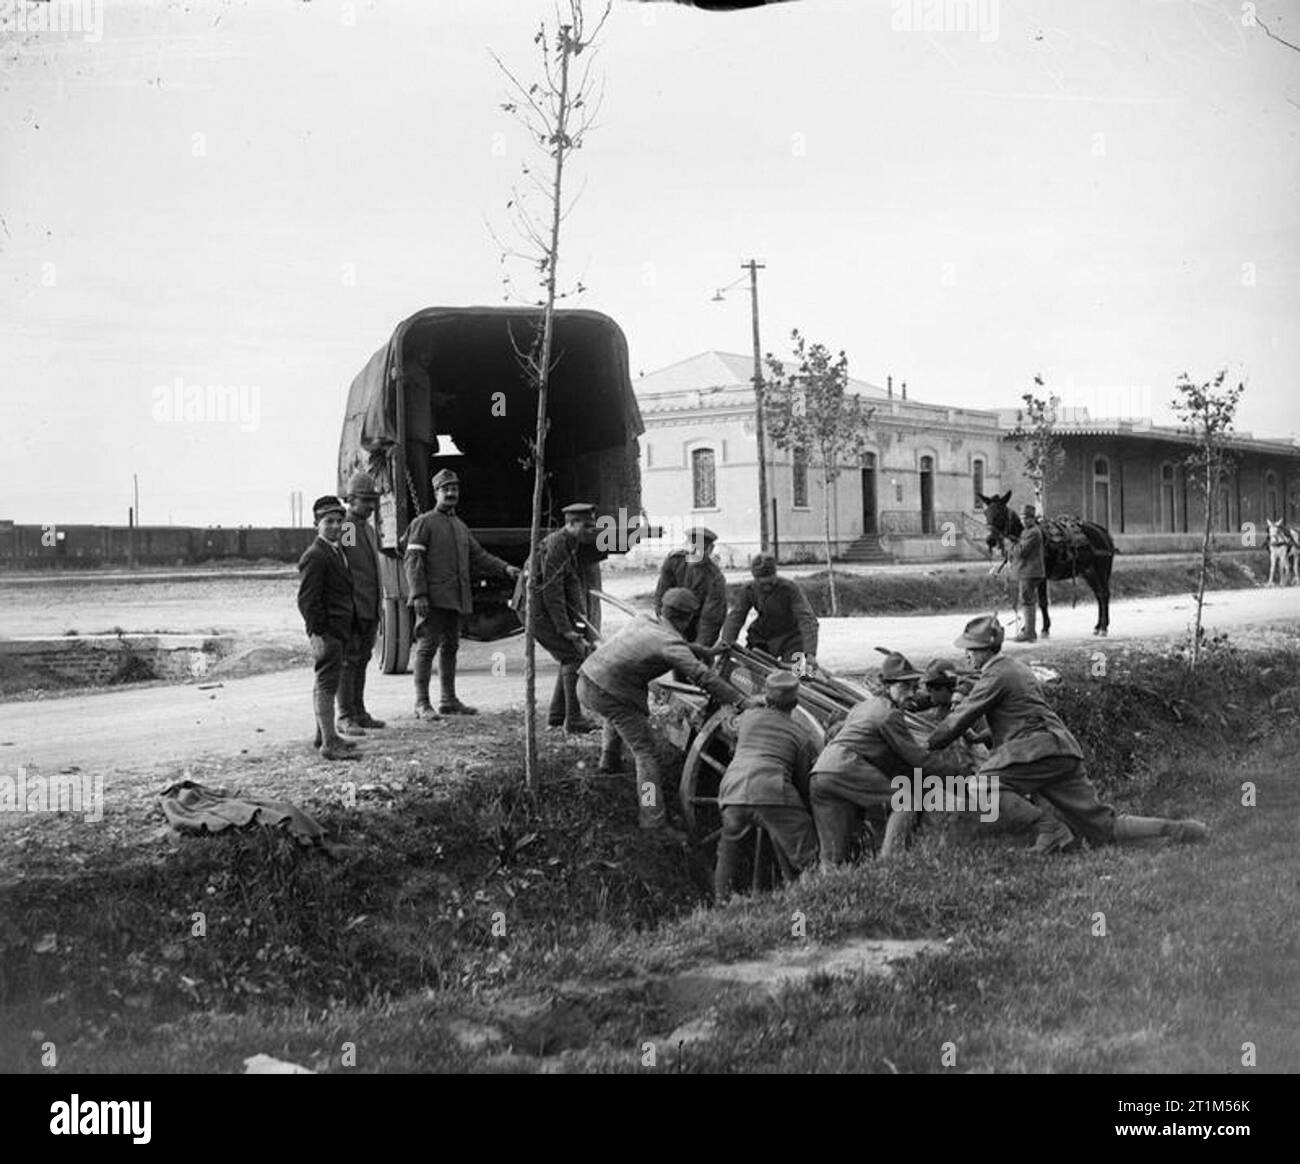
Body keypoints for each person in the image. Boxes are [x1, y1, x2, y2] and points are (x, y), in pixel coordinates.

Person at [927, 614, 1210, 853]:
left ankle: (1048, 829)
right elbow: (1023, 715)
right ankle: (1178, 829)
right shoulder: (1017, 668)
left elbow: (961, 718)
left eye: (971, 649)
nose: (966, 654)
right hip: (1061, 752)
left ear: (986, 650)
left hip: (1035, 753)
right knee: (1103, 827)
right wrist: (982, 738)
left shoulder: (994, 675)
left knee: (981, 787)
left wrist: (932, 740)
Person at [577, 587, 745, 832]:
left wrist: (704, 651)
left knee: (619, 714)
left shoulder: (644, 620)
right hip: (608, 693)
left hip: (586, 680)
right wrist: (740, 700)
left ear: (662, 609)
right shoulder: (669, 642)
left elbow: (668, 643)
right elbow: (702, 675)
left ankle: (609, 761)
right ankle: (652, 820)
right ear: (688, 619)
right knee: (646, 754)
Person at [809, 651, 959, 865]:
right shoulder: (889, 714)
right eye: (904, 686)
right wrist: (958, 776)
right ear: (888, 685)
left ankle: (826, 888)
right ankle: (889, 863)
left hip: (820, 774)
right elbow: (919, 759)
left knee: (832, 856)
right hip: (845, 769)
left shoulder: (863, 706)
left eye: (913, 686)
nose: (910, 692)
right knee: (906, 801)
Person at [403, 468, 520, 718]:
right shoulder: (423, 523)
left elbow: (479, 557)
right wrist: (419, 595)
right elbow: (413, 561)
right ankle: (422, 704)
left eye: (454, 489)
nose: (450, 493)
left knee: (450, 647)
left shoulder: (460, 526)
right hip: (433, 599)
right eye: (445, 489)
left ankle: (448, 700)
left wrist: (506, 568)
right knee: (426, 648)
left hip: (456, 599)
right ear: (436, 493)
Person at [714, 671, 821, 901]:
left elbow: (729, 725)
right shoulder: (800, 735)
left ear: (766, 698)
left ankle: (722, 902)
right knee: (808, 856)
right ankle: (810, 903)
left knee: (728, 850)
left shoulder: (749, 718)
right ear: (795, 704)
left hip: (732, 791)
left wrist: (740, 707)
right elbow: (802, 782)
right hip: (773, 792)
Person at [297, 495, 360, 761]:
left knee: (326, 682)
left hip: (337, 629)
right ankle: (329, 744)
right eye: (328, 521)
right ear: (316, 524)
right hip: (328, 631)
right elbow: (307, 600)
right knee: (326, 683)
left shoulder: (335, 551)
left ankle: (323, 734)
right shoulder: (316, 555)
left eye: (338, 521)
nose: (335, 526)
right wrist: (318, 633)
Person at [533, 502, 600, 734]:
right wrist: (565, 630)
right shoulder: (557, 545)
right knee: (572, 656)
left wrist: (581, 623)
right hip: (536, 609)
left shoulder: (570, 543)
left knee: (569, 655)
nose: (591, 531)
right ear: (570, 524)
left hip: (543, 606)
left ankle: (556, 717)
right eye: (587, 526)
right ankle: (573, 720)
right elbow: (553, 592)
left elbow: (571, 585)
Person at [337, 470, 385, 736]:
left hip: (369, 607)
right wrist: (349, 607)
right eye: (366, 500)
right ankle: (345, 716)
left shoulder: (365, 529)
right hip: (354, 609)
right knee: (349, 661)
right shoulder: (348, 528)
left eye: (373, 500)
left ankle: (359, 711)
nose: (371, 506)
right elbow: (345, 567)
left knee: (362, 659)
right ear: (351, 499)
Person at [718, 553, 819, 667]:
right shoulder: (749, 590)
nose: (766, 585)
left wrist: (810, 653)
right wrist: (726, 643)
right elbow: (736, 617)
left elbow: (807, 619)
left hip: (792, 638)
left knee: (798, 675)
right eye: (761, 582)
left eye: (770, 581)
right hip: (763, 638)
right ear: (755, 578)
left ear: (775, 574)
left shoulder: (790, 589)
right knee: (747, 671)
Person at [654, 527, 727, 647]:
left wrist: (699, 649)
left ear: (710, 550)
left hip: (696, 627)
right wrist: (665, 629)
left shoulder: (715, 579)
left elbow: (711, 620)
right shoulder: (674, 562)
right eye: (691, 548)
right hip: (671, 622)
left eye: (699, 550)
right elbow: (660, 598)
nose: (693, 554)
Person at [1012, 504, 1046, 643]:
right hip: (1026, 571)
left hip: (1030, 572)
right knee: (1026, 600)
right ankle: (1028, 631)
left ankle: (1030, 633)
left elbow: (1021, 552)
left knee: (1027, 600)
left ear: (1033, 519)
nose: (1024, 521)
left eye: (1027, 518)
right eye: (1022, 518)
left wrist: (1011, 545)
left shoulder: (1033, 532)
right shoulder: (1026, 532)